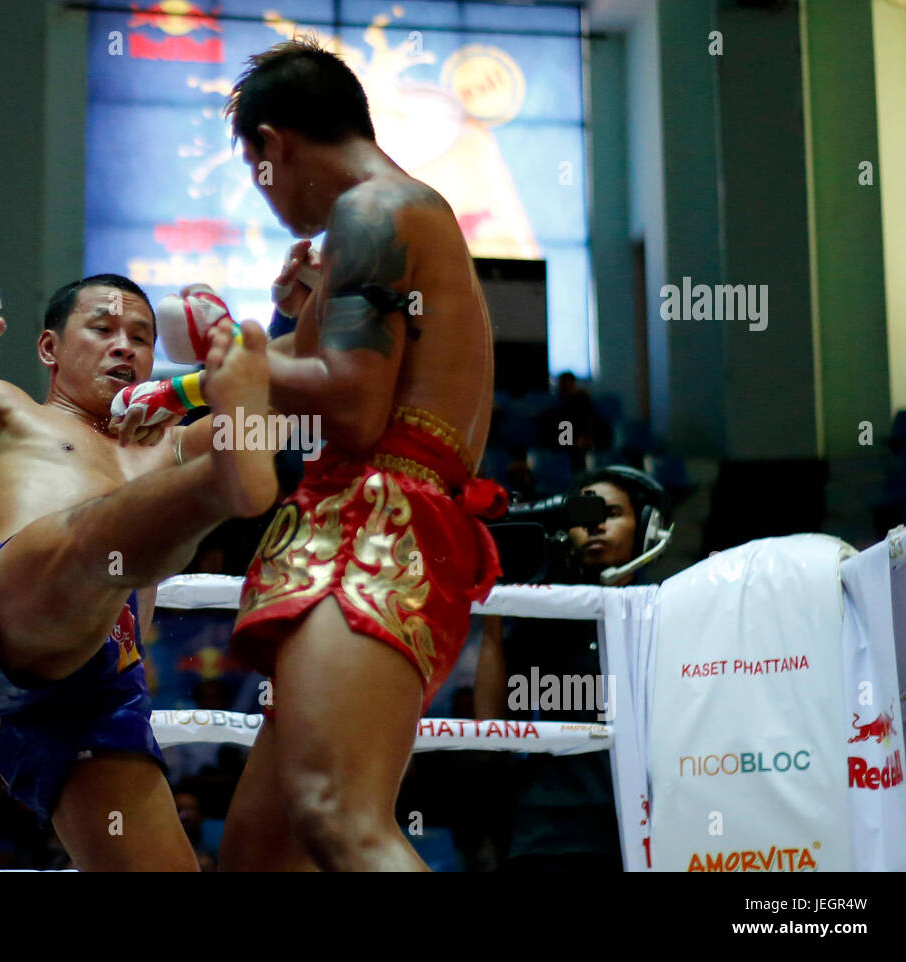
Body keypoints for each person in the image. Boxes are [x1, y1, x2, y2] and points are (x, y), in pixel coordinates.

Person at [0, 272, 277, 871]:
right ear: (49, 348)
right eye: (102, 329)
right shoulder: (5, 411)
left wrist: (295, 310)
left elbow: (289, 409)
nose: (123, 346)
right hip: (8, 619)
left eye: (141, 337)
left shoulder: (171, 442)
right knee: (100, 534)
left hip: (105, 683)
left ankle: (218, 487)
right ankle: (217, 493)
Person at [209, 38, 505, 871]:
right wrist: (268, 339)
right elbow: (321, 379)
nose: (264, 192)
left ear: (274, 145)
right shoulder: (393, 215)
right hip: (378, 522)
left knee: (340, 815)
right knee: (259, 852)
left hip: (375, 525)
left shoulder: (373, 211)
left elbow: (353, 405)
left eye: (256, 169)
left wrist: (237, 363)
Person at [475, 466, 672, 871]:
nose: (595, 524)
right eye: (582, 515)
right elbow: (491, 733)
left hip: (654, 823)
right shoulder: (541, 614)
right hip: (552, 832)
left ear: (645, 527)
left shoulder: (672, 610)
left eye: (611, 513)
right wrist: (496, 608)